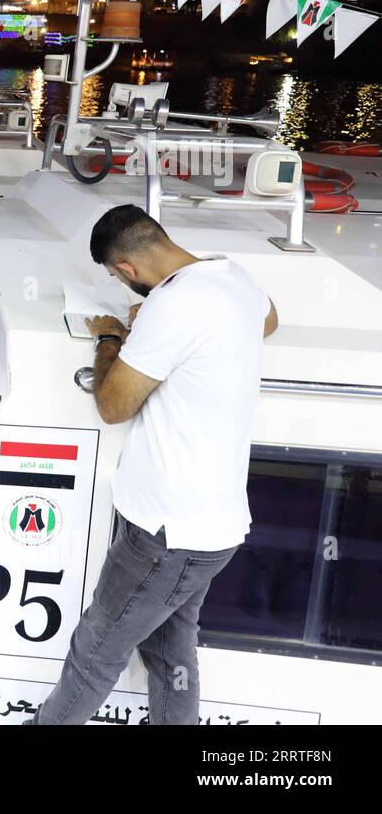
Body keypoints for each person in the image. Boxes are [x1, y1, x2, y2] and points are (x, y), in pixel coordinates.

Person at [31, 205, 278, 726]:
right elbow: (269, 319)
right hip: (211, 527)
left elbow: (113, 405)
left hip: (165, 532)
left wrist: (111, 339)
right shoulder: (228, 274)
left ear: (125, 269)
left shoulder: (175, 304)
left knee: (95, 650)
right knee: (170, 654)